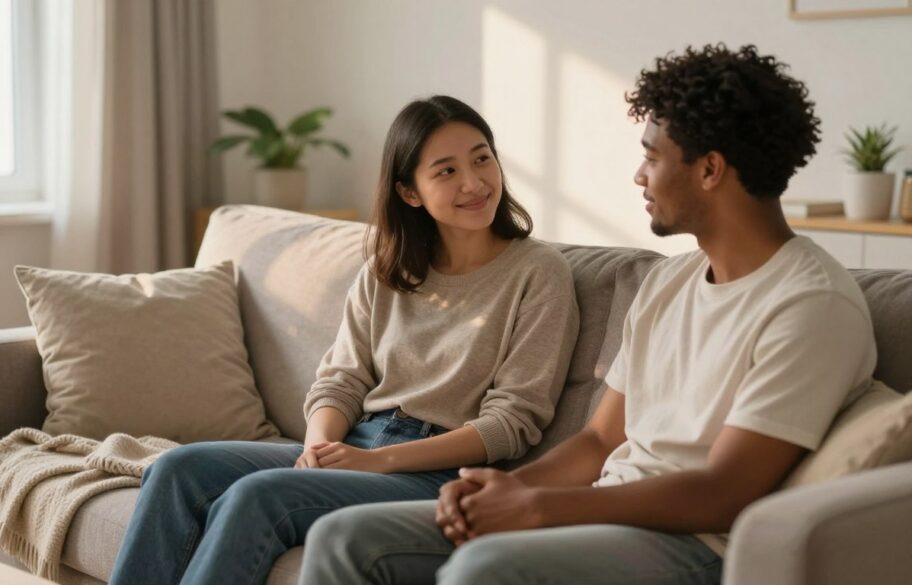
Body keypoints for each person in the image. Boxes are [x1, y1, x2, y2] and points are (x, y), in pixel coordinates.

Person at [298, 44, 877, 585]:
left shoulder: (809, 305)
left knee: (484, 567)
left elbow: (721, 492)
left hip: (694, 542)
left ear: (710, 170)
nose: (639, 175)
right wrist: (498, 490)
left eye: (652, 157)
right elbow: (601, 439)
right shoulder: (670, 281)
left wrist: (538, 506)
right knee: (342, 536)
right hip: (602, 508)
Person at [107, 95, 580, 585]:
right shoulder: (388, 268)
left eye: (482, 158)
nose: (474, 182)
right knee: (177, 469)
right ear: (410, 192)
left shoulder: (539, 272)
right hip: (358, 441)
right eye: (446, 171)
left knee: (259, 496)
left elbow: (512, 423)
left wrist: (378, 462)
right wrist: (317, 449)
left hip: (440, 469)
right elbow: (342, 379)